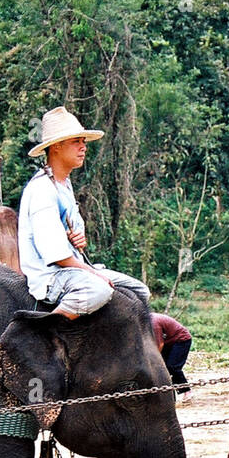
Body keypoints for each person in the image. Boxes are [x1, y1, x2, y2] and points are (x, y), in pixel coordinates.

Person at [19, 106, 151, 317]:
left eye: (83, 142)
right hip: (52, 277)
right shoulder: (42, 189)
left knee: (139, 291)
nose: (83, 148)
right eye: (76, 142)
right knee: (98, 289)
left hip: (72, 270)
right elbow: (57, 256)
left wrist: (78, 239)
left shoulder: (64, 185)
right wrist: (91, 273)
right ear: (56, 148)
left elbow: (72, 241)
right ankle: (48, 332)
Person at [151, 312, 193, 394]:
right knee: (162, 367)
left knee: (173, 367)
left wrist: (155, 359)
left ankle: (187, 392)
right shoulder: (146, 321)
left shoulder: (153, 323)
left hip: (182, 340)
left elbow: (160, 344)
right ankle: (169, 392)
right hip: (169, 341)